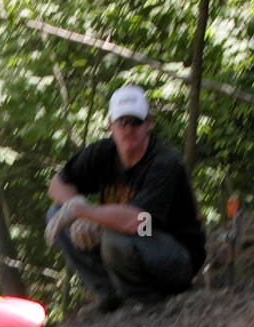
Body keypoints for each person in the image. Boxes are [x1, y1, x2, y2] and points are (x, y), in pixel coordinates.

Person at [45, 85, 206, 314]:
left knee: (115, 235)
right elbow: (58, 184)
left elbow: (137, 221)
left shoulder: (164, 162)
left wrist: (85, 212)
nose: (128, 129)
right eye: (122, 122)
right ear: (111, 124)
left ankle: (144, 300)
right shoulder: (103, 153)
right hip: (135, 240)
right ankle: (109, 294)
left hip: (176, 254)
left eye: (136, 122)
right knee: (57, 214)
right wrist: (76, 207)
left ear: (148, 124)